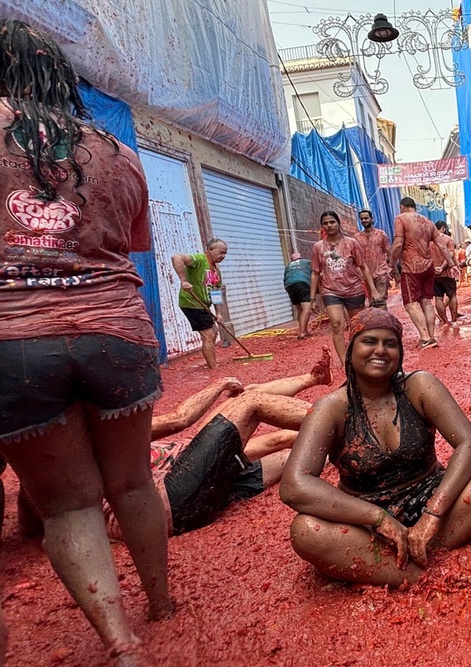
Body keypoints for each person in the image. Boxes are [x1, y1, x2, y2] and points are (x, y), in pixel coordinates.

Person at [0, 19, 170, 664]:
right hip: (115, 330)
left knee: (70, 504)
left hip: (15, 340)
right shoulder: (116, 152)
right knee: (133, 484)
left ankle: (120, 642)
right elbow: (136, 245)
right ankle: (160, 602)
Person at [281, 309, 471, 587]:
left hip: (431, 499)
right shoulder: (331, 409)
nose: (380, 350)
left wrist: (432, 513)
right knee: (305, 531)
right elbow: (295, 485)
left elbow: (470, 444)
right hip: (365, 520)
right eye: (369, 342)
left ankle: (408, 555)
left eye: (390, 343)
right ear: (350, 351)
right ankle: (430, 575)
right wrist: (377, 518)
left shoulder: (419, 386)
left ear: (400, 352)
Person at [14, 351, 334, 542]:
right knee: (249, 401)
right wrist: (220, 385)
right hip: (174, 497)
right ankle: (348, 420)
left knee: (292, 443)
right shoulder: (91, 435)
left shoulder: (58, 452)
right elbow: (181, 417)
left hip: (192, 483)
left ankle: (320, 395)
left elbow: (32, 524)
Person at [309, 210, 377, 367]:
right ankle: (344, 360)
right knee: (336, 324)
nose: (329, 225)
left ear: (338, 224)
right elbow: (315, 273)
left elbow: (364, 267)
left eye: (332, 222)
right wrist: (312, 298)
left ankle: (358, 354)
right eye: (325, 223)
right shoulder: (318, 247)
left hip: (353, 289)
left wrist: (372, 290)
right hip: (330, 291)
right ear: (322, 227)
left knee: (357, 325)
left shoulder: (351, 243)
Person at [388, 197, 456, 349]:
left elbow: (398, 243)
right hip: (429, 267)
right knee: (426, 301)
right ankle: (431, 337)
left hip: (411, 267)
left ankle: (425, 338)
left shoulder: (401, 218)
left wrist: (391, 264)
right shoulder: (428, 221)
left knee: (411, 303)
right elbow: (441, 245)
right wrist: (451, 264)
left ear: (402, 206)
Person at [172, 237, 228, 369]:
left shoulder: (216, 271)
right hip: (191, 302)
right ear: (209, 250)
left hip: (204, 305)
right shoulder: (199, 260)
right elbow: (176, 258)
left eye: (225, 253)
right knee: (209, 334)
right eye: (221, 252)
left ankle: (211, 363)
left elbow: (216, 293)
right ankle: (213, 368)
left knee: (213, 332)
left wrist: (219, 313)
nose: (223, 256)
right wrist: (183, 281)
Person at [355, 208, 392, 309]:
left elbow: (389, 252)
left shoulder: (381, 234)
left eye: (366, 218)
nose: (364, 221)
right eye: (361, 219)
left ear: (372, 219)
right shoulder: (357, 237)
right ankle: (378, 322)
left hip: (381, 271)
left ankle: (385, 323)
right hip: (366, 274)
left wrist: (394, 271)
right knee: (372, 301)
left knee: (380, 300)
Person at [431, 221, 461, 324]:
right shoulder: (448, 239)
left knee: (438, 298)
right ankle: (454, 319)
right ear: (443, 228)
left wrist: (435, 268)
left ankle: (445, 321)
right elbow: (451, 254)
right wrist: (442, 267)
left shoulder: (428, 241)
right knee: (452, 295)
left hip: (434, 275)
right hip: (448, 273)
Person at [283, 251, 313, 339]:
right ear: (301, 257)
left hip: (289, 286)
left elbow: (284, 279)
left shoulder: (288, 266)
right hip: (301, 283)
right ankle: (301, 332)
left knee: (300, 310)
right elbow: (315, 273)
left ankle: (304, 330)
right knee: (307, 309)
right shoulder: (307, 262)